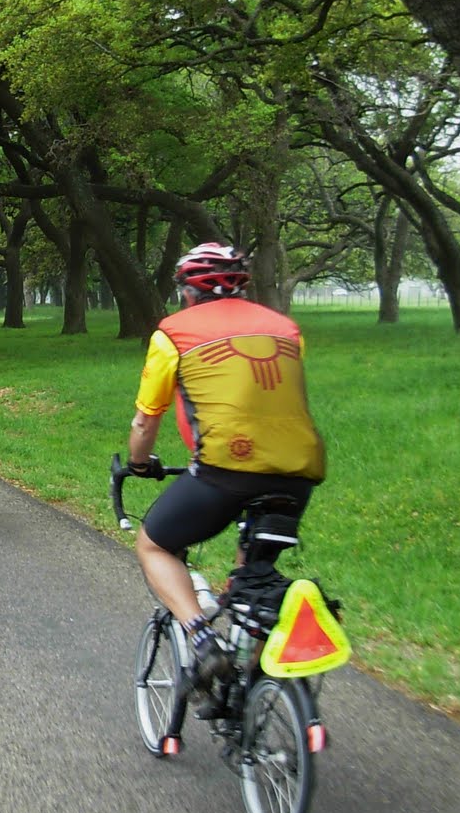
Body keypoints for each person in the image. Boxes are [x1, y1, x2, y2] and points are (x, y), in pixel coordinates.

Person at [125, 243, 325, 700]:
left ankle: (201, 639)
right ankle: (254, 686)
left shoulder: (172, 334)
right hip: (299, 472)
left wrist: (138, 462)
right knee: (251, 577)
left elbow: (146, 422)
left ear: (187, 292)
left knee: (154, 544)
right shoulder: (287, 329)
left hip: (225, 470)